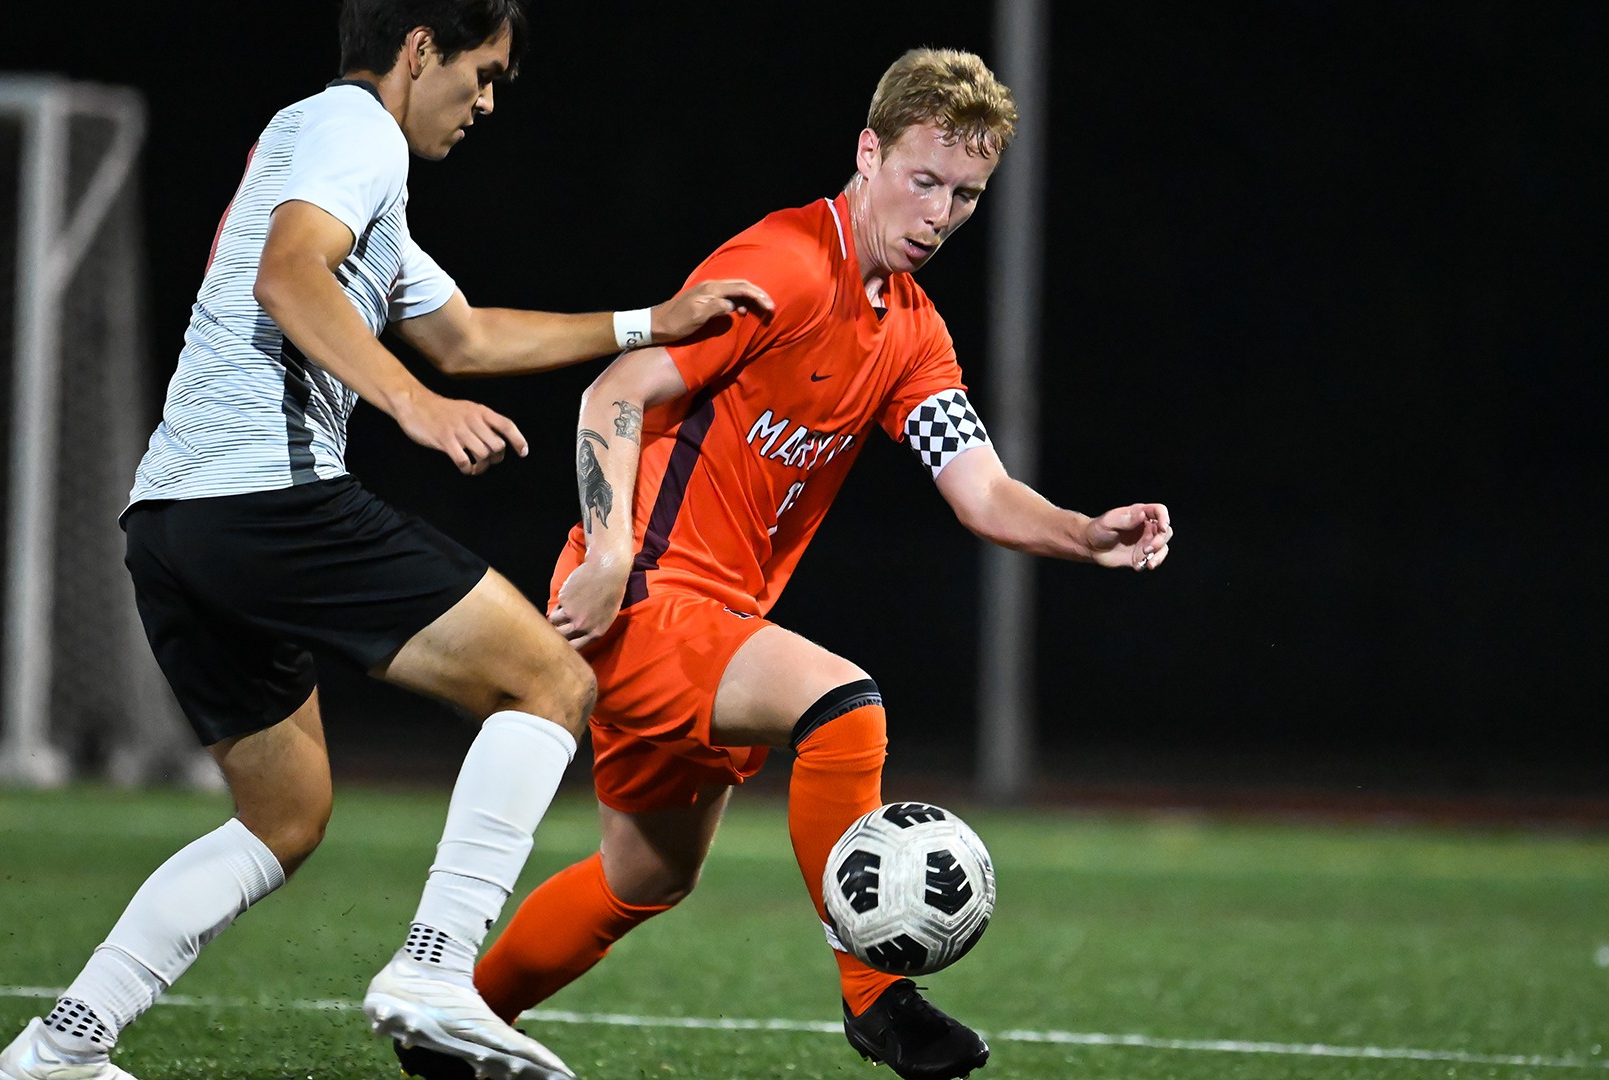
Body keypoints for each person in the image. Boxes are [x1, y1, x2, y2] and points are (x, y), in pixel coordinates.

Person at [0, 3, 771, 1079]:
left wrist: (652, 322)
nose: (489, 101)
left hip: (172, 526)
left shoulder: (343, 163)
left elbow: (467, 336)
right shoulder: (353, 128)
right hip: (260, 498)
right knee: (547, 681)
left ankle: (64, 1044)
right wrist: (414, 408)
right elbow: (290, 274)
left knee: (284, 817)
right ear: (419, 49)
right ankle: (435, 968)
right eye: (482, 73)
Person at [398, 47, 1174, 1080]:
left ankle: (451, 1021)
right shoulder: (784, 264)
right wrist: (613, 551)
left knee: (644, 877)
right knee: (845, 706)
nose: (941, 213)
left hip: (716, 617)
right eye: (925, 180)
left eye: (968, 195)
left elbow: (980, 489)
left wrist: (1082, 531)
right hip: (646, 597)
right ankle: (875, 996)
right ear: (869, 152)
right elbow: (613, 394)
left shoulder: (911, 330)